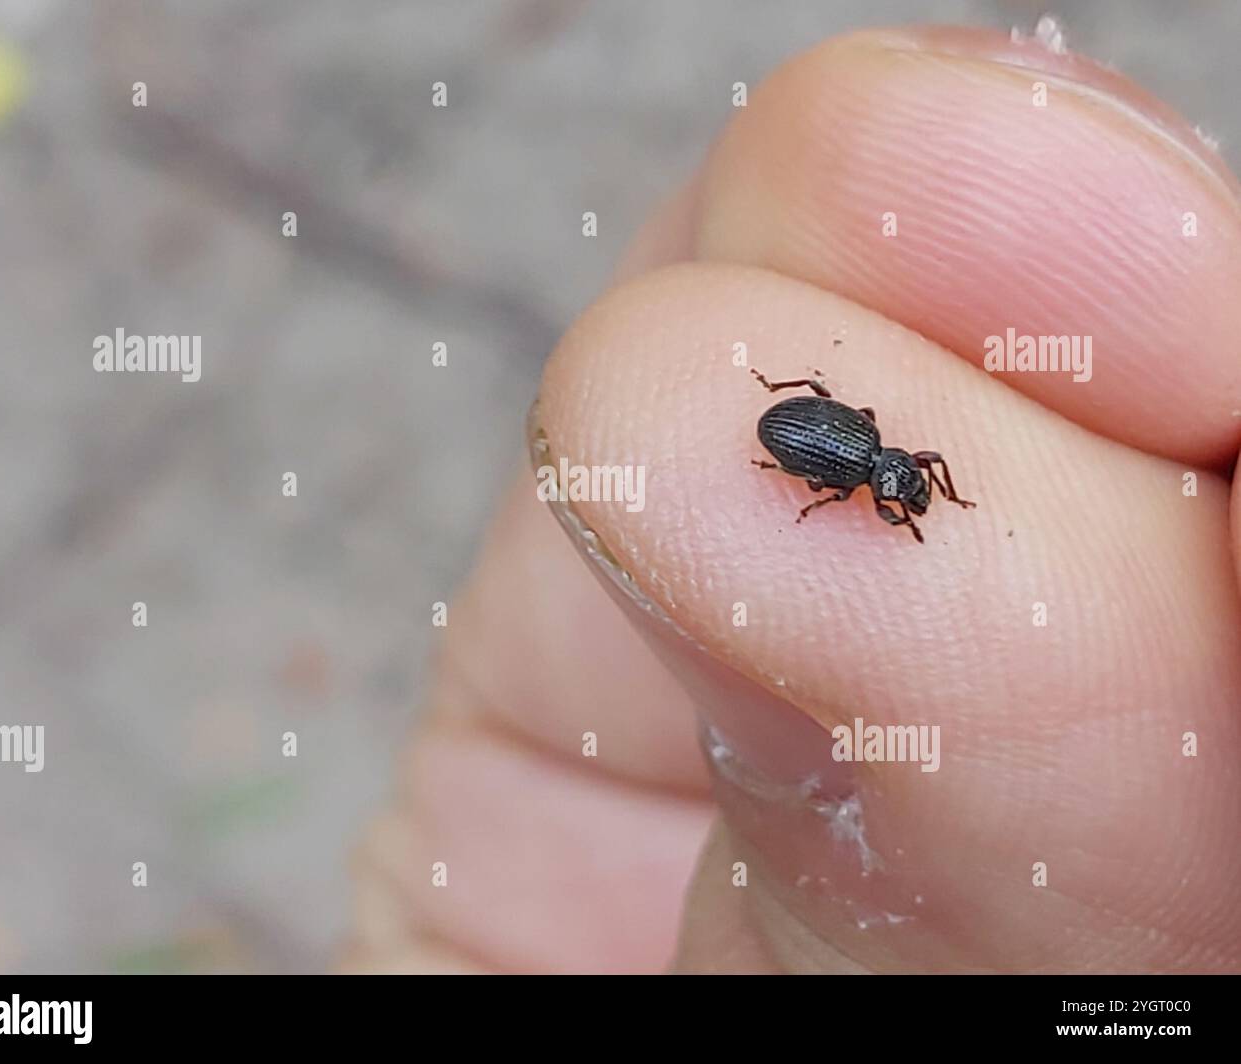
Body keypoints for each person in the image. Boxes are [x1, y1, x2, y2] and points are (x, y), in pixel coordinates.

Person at [346, 24, 1241, 973]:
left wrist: (921, 499)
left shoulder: (890, 466)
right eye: (902, 493)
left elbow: (908, 472)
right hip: (800, 429)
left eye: (907, 494)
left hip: (814, 428)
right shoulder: (856, 468)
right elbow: (816, 444)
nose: (908, 495)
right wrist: (820, 482)